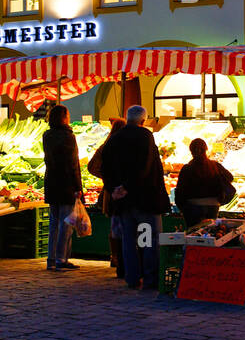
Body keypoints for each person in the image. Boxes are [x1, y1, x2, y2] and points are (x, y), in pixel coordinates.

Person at [100, 105, 169, 291]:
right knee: (146, 240)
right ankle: (149, 279)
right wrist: (127, 187)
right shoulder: (145, 136)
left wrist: (114, 188)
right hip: (144, 202)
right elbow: (144, 167)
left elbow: (103, 165)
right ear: (143, 121)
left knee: (129, 240)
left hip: (124, 203)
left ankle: (131, 278)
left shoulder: (115, 139)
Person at [42, 105, 83, 272]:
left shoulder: (47, 135)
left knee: (54, 223)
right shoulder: (68, 136)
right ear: (64, 117)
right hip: (66, 184)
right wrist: (77, 186)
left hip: (51, 182)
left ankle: (51, 258)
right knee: (66, 223)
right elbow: (73, 163)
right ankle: (61, 258)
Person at [87, 117, 126, 278]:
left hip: (110, 190)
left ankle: (115, 257)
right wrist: (108, 177)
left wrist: (106, 177)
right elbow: (92, 167)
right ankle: (119, 258)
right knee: (120, 225)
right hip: (117, 192)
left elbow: (92, 166)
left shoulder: (105, 146)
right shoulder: (120, 147)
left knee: (114, 226)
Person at [174, 139, 237, 228]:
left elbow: (179, 191)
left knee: (194, 235)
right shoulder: (215, 165)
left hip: (192, 208)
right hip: (213, 206)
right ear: (206, 149)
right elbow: (230, 177)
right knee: (210, 233)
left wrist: (181, 208)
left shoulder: (187, 169)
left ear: (191, 151)